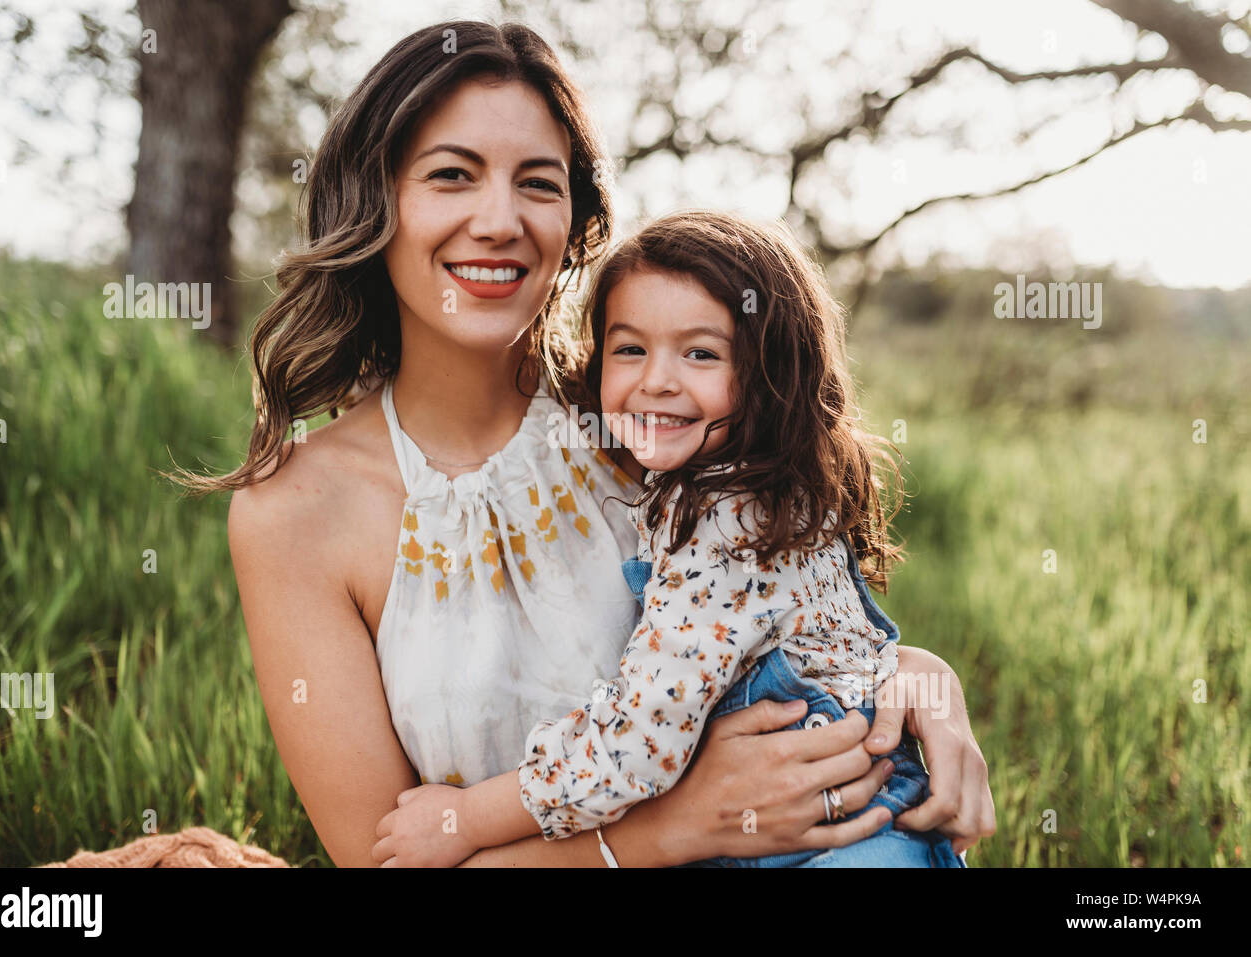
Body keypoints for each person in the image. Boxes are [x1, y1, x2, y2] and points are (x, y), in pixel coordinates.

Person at [185, 19, 994, 867]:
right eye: (452, 176)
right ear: (376, 201)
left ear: (574, 218)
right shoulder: (294, 515)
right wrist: (677, 825)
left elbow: (777, 600)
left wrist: (917, 675)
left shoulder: (650, 428)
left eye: (537, 182)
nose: (499, 221)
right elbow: (386, 858)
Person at [372, 210, 966, 867]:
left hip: (846, 842)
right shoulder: (727, 487)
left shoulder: (729, 522)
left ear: (768, 375)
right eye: (630, 348)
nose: (656, 379)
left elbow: (640, 742)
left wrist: (467, 818)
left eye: (701, 353)